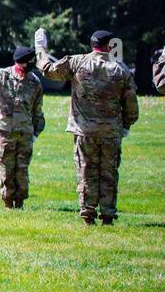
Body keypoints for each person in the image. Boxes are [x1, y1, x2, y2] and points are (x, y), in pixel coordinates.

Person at [35, 27, 139, 225]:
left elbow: (48, 70)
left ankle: (87, 213)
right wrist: (126, 124)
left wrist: (41, 48)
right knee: (109, 173)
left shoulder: (77, 61)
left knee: (86, 171)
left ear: (92, 45)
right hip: (111, 131)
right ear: (109, 45)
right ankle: (108, 214)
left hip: (84, 130)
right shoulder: (121, 68)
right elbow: (131, 104)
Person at [0, 38, 45, 209]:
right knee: (6, 167)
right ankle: (7, 202)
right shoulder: (2, 76)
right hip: (5, 130)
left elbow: (37, 109)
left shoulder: (34, 82)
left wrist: (36, 131)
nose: (32, 63)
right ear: (23, 62)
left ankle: (20, 202)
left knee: (22, 168)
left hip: (25, 131)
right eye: (30, 61)